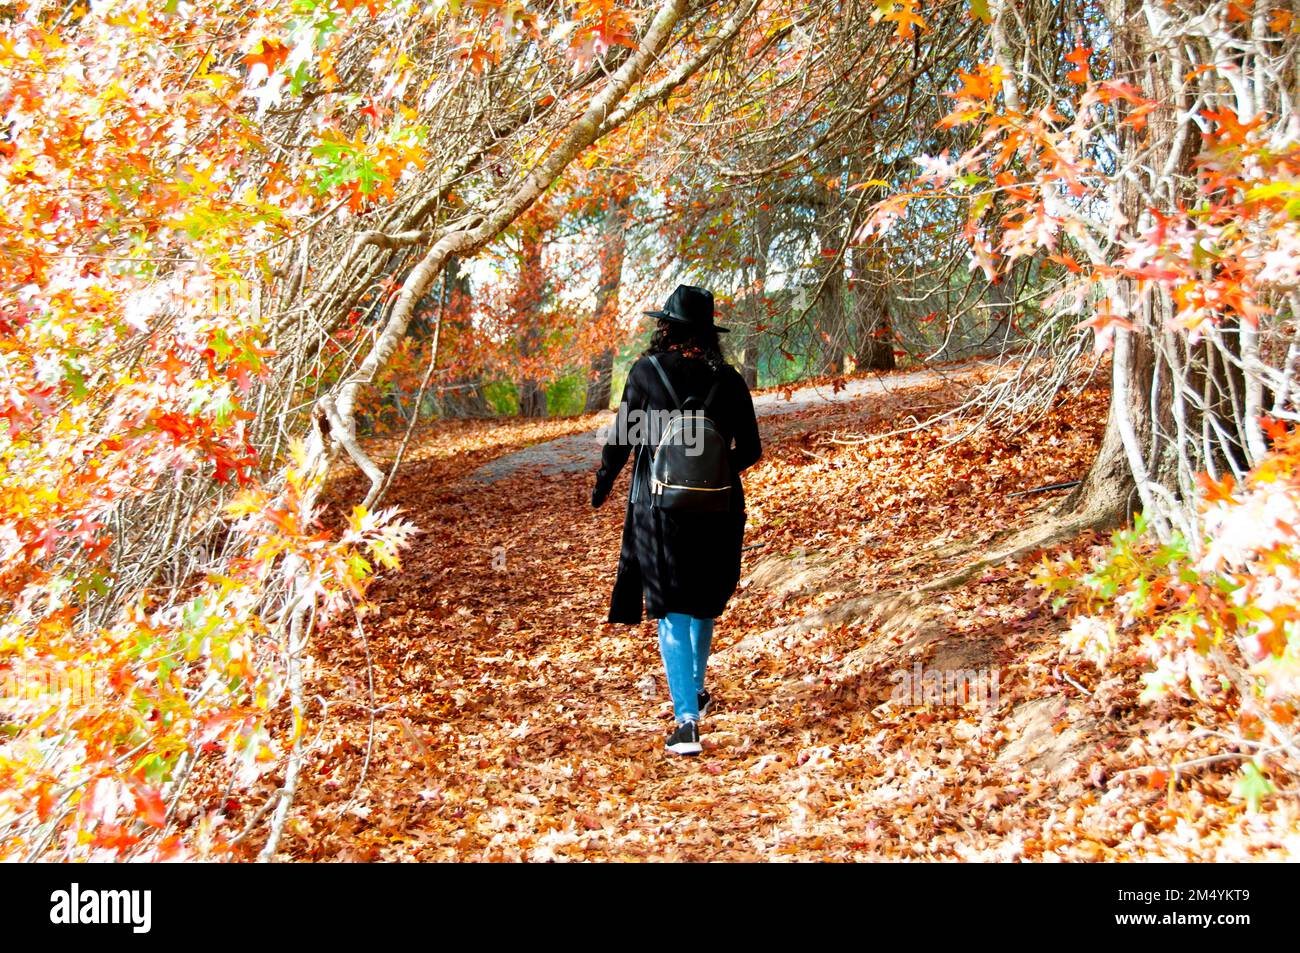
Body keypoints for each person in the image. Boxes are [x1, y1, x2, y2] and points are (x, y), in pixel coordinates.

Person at [591, 284, 762, 755]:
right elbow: (751, 450)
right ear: (709, 334)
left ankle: (685, 721)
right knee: (704, 602)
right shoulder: (728, 380)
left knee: (671, 607)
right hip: (719, 507)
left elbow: (622, 438)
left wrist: (604, 483)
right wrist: (710, 471)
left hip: (658, 508)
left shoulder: (646, 373)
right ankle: (696, 693)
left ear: (665, 328)